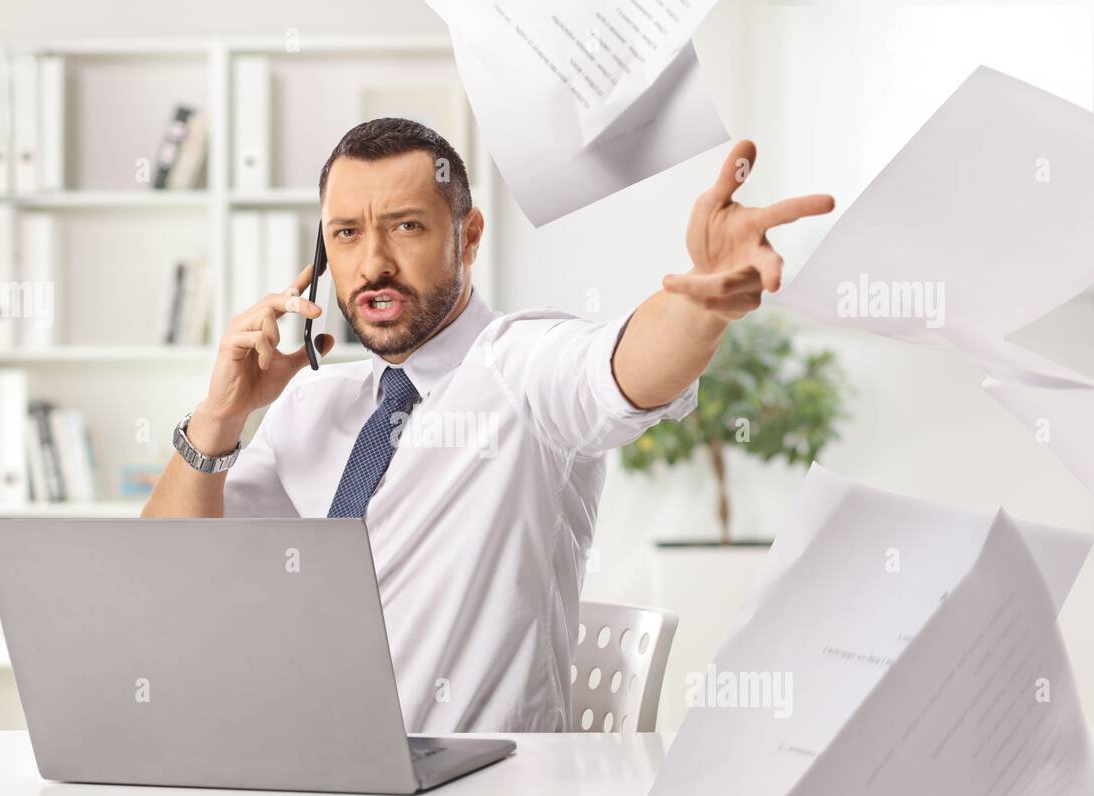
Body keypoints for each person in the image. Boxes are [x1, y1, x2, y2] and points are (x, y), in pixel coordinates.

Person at [142, 118, 834, 733]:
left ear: (468, 237)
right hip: (310, 776)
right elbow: (170, 582)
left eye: (406, 225)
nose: (373, 263)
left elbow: (622, 366)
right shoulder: (310, 402)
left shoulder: (518, 365)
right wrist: (218, 419)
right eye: (346, 234)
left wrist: (702, 300)